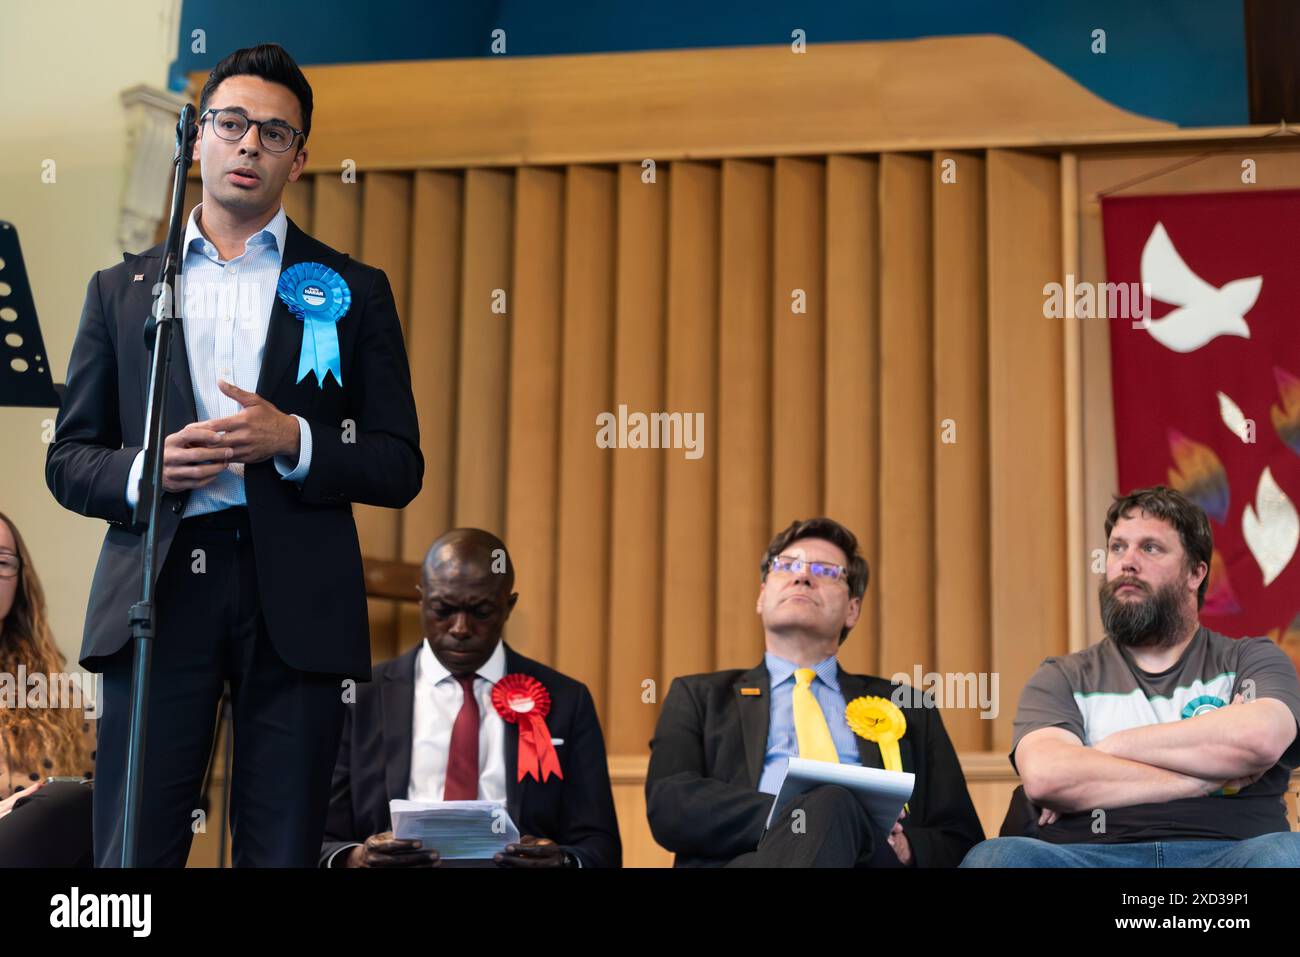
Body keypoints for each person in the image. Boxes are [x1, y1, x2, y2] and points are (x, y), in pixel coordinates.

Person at [45, 43, 422, 867]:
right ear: (199, 137)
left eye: (275, 133)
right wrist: (148, 469)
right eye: (233, 123)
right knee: (133, 846)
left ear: (300, 159)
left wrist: (298, 440)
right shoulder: (122, 288)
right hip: (160, 585)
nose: (251, 144)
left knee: (281, 845)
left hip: (296, 590)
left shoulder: (351, 286)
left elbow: (399, 462)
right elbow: (69, 457)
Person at [963, 485, 1300, 867]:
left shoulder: (1251, 659)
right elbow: (1047, 776)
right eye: (1118, 547)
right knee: (997, 857)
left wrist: (1104, 750)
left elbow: (1259, 740)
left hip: (1231, 853)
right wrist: (1204, 781)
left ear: (1195, 573)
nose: (1127, 562)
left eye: (1150, 548)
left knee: (1290, 854)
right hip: (1090, 856)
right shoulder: (1062, 677)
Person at [646, 517, 983, 867]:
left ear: (853, 609)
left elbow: (962, 840)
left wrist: (903, 846)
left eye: (825, 570)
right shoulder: (700, 695)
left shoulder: (908, 706)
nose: (802, 576)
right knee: (832, 802)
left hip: (873, 860)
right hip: (748, 860)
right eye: (786, 566)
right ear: (762, 596)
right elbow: (670, 805)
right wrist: (795, 814)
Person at [321, 529, 620, 868]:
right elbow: (318, 837)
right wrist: (358, 857)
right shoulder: (359, 698)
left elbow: (600, 846)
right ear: (421, 599)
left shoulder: (566, 700)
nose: (460, 628)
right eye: (442, 609)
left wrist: (563, 862)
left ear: (508, 606)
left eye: (480, 611)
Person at [0, 511, 95, 867]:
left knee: (68, 800)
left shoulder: (63, 698)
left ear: (19, 581)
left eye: (2, 561)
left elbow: (93, 808)